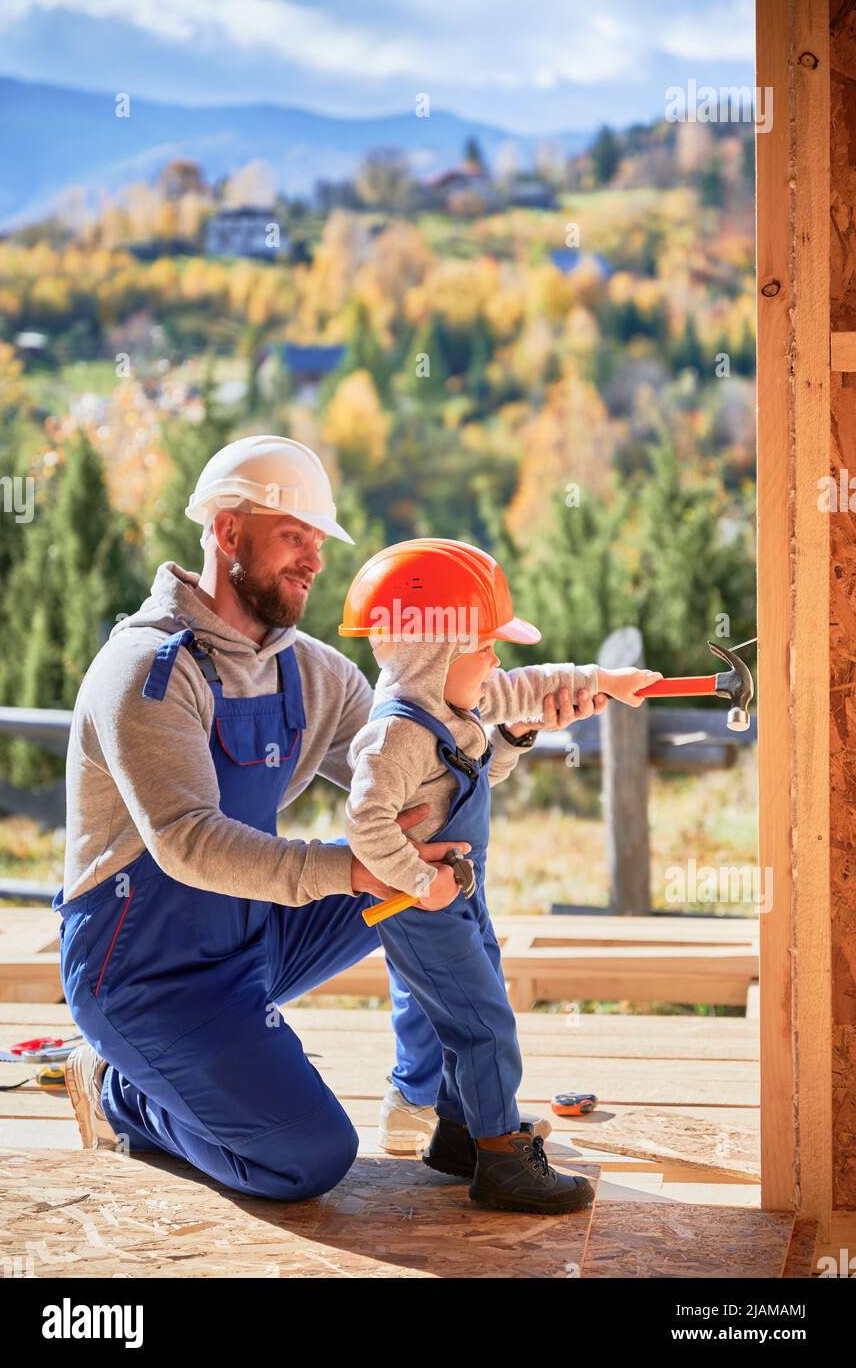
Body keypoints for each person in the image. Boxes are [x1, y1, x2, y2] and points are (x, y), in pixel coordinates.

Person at [58, 435, 615, 1201]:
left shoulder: (309, 671)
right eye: (294, 536)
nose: (314, 561)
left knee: (428, 843)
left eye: (318, 542)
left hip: (253, 938)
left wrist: (510, 732)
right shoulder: (147, 673)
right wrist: (354, 869)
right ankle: (126, 1094)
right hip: (146, 973)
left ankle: (438, 1101)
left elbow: (421, 784)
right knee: (307, 1158)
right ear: (227, 532)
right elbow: (188, 843)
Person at [340, 539, 661, 1213]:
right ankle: (502, 1164)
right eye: (484, 648)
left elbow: (531, 686)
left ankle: (462, 1133)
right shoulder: (394, 737)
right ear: (435, 653)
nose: (496, 663)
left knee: (480, 1004)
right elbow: (365, 829)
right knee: (484, 1025)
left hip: (459, 896)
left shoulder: (458, 706)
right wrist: (416, 880)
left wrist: (606, 680)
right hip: (424, 907)